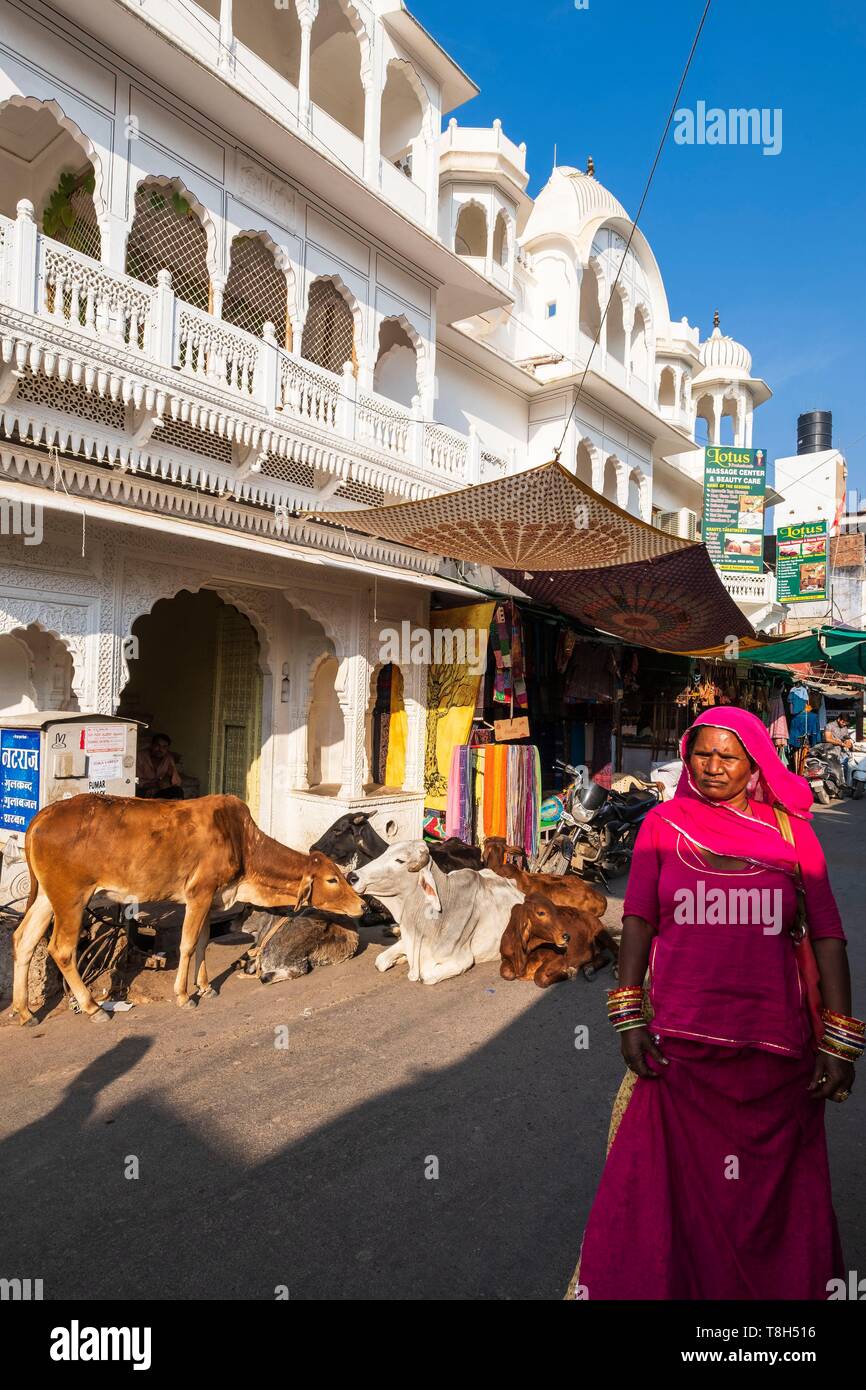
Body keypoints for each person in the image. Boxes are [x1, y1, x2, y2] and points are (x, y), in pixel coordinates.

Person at [569, 707, 861, 1301]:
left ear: (754, 763)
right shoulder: (662, 825)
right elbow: (640, 918)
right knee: (664, 1195)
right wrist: (629, 1018)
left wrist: (840, 1040)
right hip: (680, 1046)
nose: (713, 767)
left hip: (775, 1051)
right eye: (702, 754)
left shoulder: (790, 833)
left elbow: (828, 934)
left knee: (770, 1201)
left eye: (728, 756)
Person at [136, 732, 184, 800]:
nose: (160, 749)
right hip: (141, 789)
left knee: (177, 791)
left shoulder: (168, 758)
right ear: (152, 745)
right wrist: (145, 785)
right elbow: (133, 779)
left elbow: (177, 783)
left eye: (164, 747)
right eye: (157, 745)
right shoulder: (139, 756)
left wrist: (173, 768)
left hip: (156, 789)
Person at [824, 713, 855, 788]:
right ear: (839, 719)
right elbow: (827, 738)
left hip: (842, 753)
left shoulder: (844, 727)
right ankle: (834, 786)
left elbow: (846, 737)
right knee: (834, 771)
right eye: (843, 722)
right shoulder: (829, 726)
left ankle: (846, 786)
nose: (844, 724)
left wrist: (849, 742)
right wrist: (841, 743)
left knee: (847, 768)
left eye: (846, 723)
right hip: (831, 752)